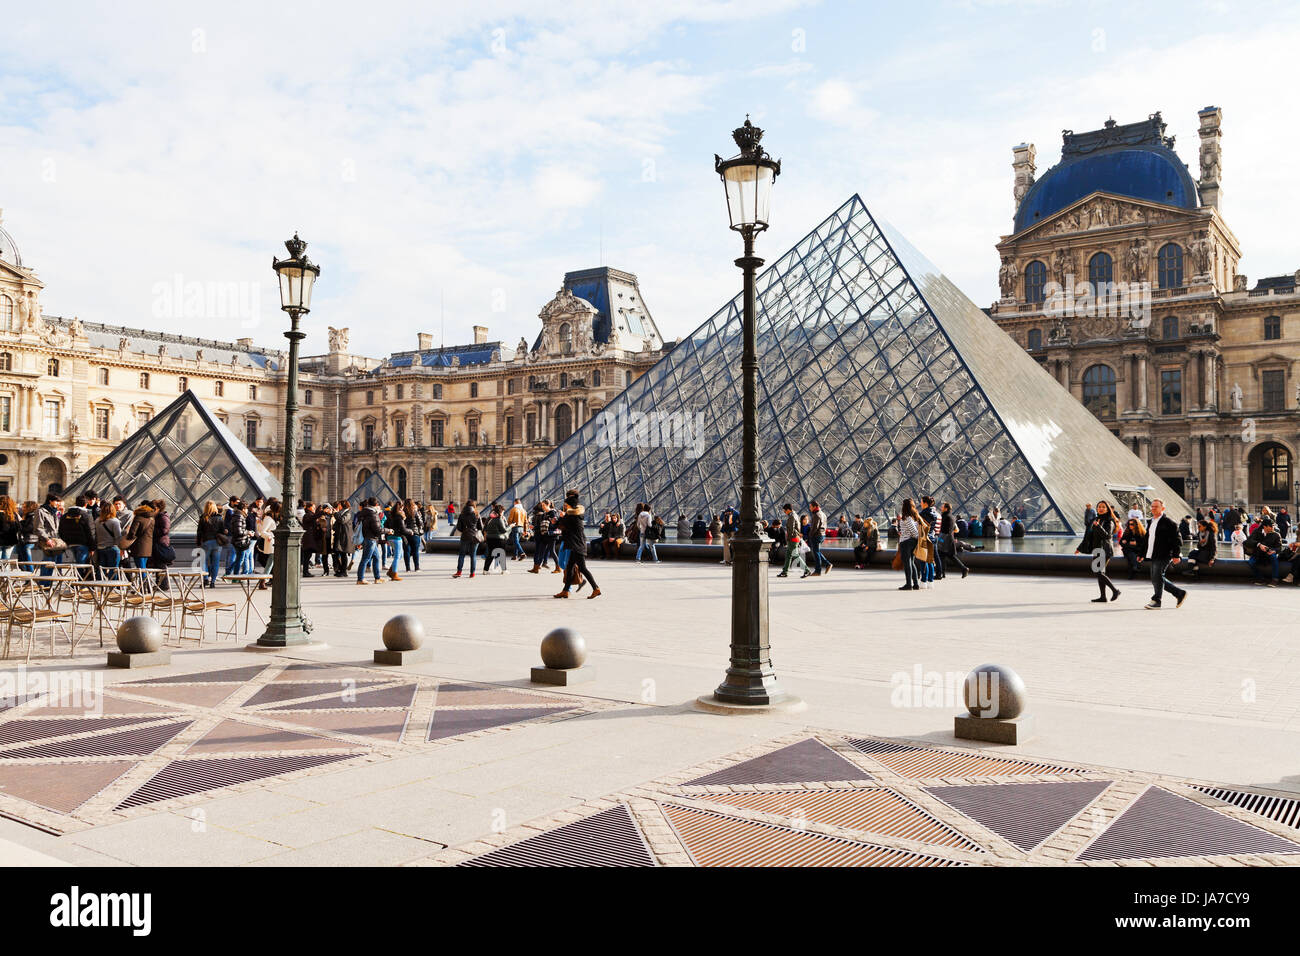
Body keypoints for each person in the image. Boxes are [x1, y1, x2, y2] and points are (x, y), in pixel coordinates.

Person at [554, 489, 600, 599]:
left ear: (570, 505)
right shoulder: (577, 515)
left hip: (576, 546)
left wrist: (560, 517)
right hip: (577, 545)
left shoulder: (571, 516)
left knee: (582, 568)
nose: (565, 506)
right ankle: (565, 591)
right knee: (570, 568)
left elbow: (560, 525)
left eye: (566, 504)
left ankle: (596, 588)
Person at [1142, 498, 1187, 609]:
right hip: (1153, 553)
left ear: (1163, 508)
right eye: (1152, 506)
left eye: (1156, 506)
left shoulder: (1169, 523)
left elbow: (1177, 540)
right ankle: (1179, 593)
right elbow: (1147, 539)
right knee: (1156, 578)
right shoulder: (1151, 522)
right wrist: (1141, 553)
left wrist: (1176, 555)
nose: (1153, 508)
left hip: (1164, 554)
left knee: (1157, 576)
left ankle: (1157, 600)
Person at [1076, 499, 1120, 603]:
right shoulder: (1096, 519)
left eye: (1103, 507)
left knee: (1098, 571)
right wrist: (1079, 548)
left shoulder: (1109, 520)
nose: (1101, 508)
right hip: (1097, 549)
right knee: (1100, 572)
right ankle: (1103, 597)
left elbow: (1108, 535)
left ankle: (1115, 590)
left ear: (1107, 509)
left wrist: (1098, 526)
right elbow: (1088, 536)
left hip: (1104, 549)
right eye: (1099, 507)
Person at [1246, 517, 1283, 586]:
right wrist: (1259, 545)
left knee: (1274, 557)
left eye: (1273, 526)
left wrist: (1274, 551)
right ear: (1264, 526)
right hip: (1258, 553)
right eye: (1271, 526)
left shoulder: (1276, 534)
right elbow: (1249, 541)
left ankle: (1275, 579)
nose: (1273, 528)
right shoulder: (1256, 531)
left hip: (1269, 553)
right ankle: (1260, 578)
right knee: (1251, 562)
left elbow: (1279, 548)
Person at [778, 503, 810, 579]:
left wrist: (788, 539)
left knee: (795, 555)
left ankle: (807, 570)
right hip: (795, 537)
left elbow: (791, 529)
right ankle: (784, 571)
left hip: (793, 538)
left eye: (784, 511)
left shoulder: (792, 516)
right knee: (789, 555)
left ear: (788, 510)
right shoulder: (795, 515)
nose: (784, 512)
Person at [197, 501, 225, 588]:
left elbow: (199, 532)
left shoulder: (203, 518)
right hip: (217, 542)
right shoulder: (219, 518)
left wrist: (198, 543)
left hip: (206, 542)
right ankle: (213, 582)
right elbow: (222, 531)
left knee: (204, 561)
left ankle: (205, 579)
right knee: (215, 563)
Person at [453, 499, 483, 578]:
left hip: (465, 536)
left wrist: (464, 530)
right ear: (474, 506)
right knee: (473, 556)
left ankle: (459, 572)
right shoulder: (477, 514)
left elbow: (459, 527)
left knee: (462, 555)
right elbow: (481, 527)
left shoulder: (462, 514)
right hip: (475, 537)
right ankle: (472, 573)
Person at [897, 498, 922, 591]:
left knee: (907, 564)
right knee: (911, 563)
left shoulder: (907, 518)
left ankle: (908, 584)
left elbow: (914, 532)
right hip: (911, 542)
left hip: (906, 542)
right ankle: (915, 584)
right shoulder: (914, 516)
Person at [93, 504, 123, 579]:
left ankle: (100, 586)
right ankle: (112, 587)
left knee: (101, 569)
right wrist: (121, 548)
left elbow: (96, 535)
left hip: (100, 548)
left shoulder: (97, 521)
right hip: (112, 548)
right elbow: (118, 536)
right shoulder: (115, 521)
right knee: (113, 569)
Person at [807, 500, 831, 575]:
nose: (810, 508)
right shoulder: (823, 514)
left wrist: (809, 536)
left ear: (815, 507)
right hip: (822, 534)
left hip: (816, 535)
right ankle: (827, 564)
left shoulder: (817, 515)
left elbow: (815, 527)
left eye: (810, 507)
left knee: (816, 553)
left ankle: (818, 571)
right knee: (817, 551)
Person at [482, 504, 509, 573]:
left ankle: (485, 570)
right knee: (501, 554)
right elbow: (504, 530)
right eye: (503, 511)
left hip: (489, 538)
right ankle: (504, 570)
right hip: (499, 539)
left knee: (490, 554)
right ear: (500, 511)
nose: (503, 513)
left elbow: (485, 528)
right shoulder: (499, 519)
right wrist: (511, 526)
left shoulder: (490, 518)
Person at [384, 501, 407, 581]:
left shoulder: (390, 515)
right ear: (401, 507)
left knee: (399, 555)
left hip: (390, 537)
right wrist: (410, 531)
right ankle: (394, 573)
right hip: (397, 538)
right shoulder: (399, 516)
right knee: (398, 556)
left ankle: (391, 571)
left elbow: (385, 525)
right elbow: (402, 529)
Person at [403, 498, 423, 572]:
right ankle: (417, 568)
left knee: (406, 551)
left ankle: (408, 568)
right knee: (415, 551)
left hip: (405, 533)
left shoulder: (402, 512)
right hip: (415, 533)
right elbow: (420, 523)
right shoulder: (415, 511)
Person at [0, 495, 19, 561]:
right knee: (6, 562)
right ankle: (5, 571)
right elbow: (18, 527)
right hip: (10, 541)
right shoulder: (14, 514)